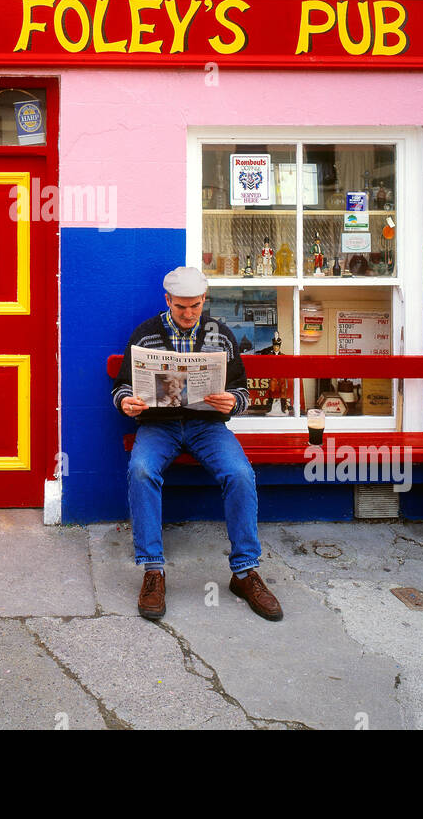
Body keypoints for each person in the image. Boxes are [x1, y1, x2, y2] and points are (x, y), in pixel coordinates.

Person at [111, 266, 283, 622]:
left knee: (240, 474)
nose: (189, 314)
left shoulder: (221, 335)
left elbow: (241, 391)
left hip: (207, 426)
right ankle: (153, 570)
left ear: (204, 300)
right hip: (160, 425)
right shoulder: (145, 335)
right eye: (181, 307)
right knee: (141, 470)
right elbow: (122, 386)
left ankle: (245, 572)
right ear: (168, 301)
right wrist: (126, 402)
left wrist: (232, 403)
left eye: (196, 306)